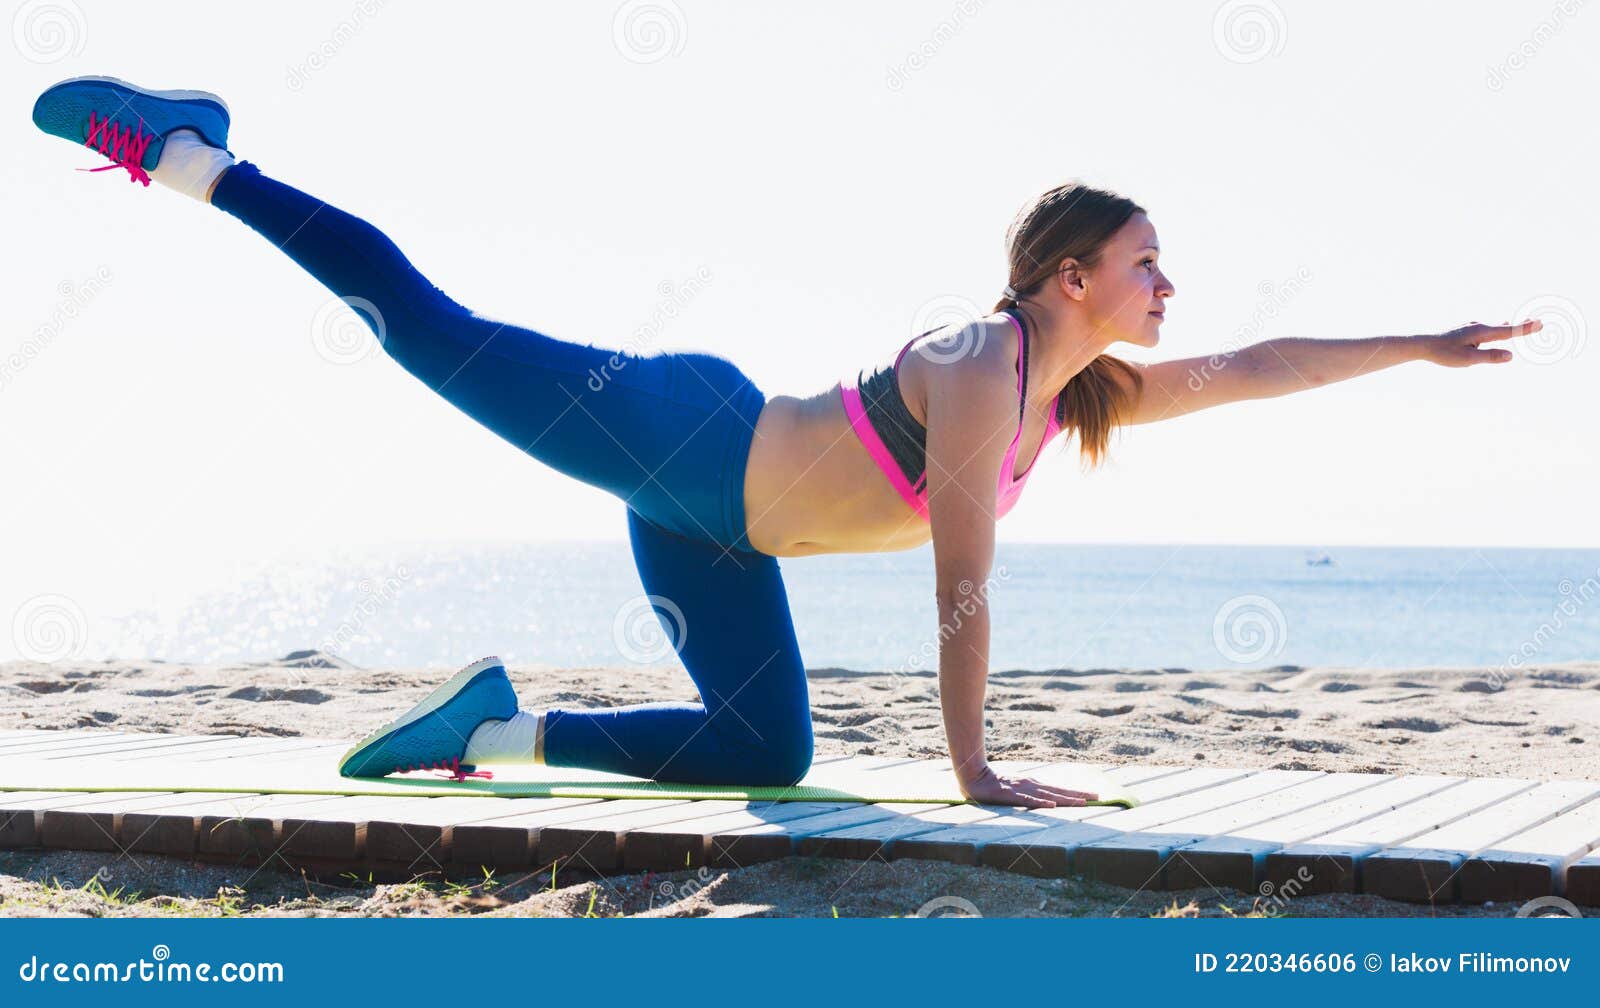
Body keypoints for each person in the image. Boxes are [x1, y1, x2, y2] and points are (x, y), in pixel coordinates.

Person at [32, 76, 1542, 808]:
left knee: (763, 749)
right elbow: (962, 584)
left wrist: (1420, 342)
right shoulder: (977, 362)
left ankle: (485, 732)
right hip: (680, 433)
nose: (1168, 285)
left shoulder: (1087, 394)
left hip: (716, 526)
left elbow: (1260, 362)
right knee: (423, 324)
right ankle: (193, 158)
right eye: (1147, 260)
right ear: (1070, 277)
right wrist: (976, 772)